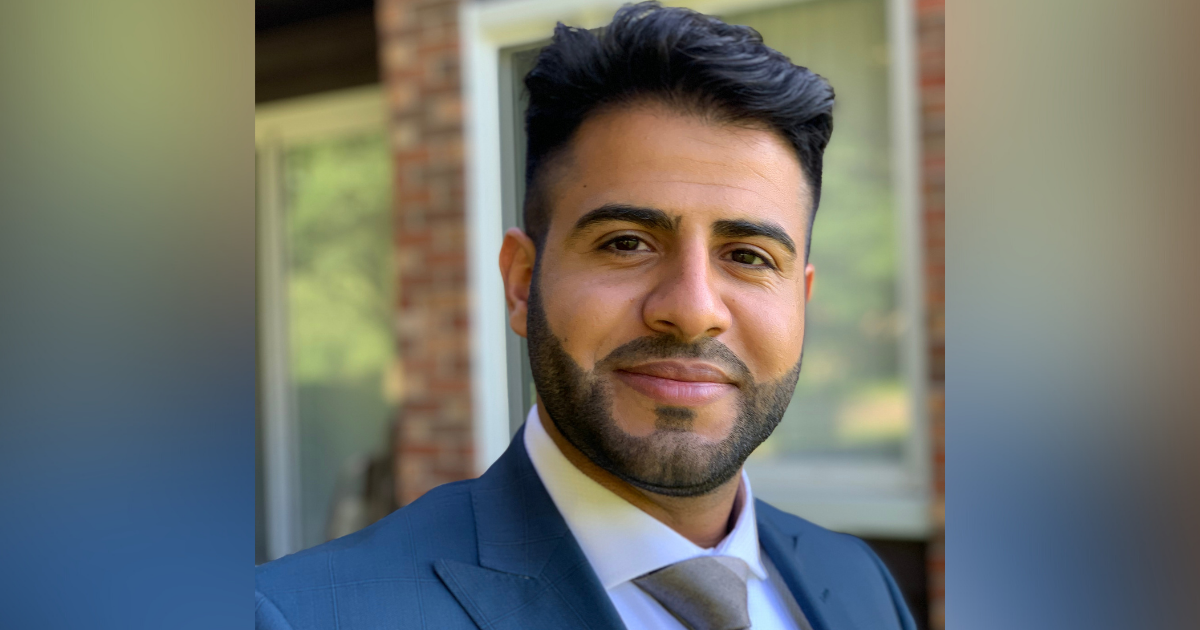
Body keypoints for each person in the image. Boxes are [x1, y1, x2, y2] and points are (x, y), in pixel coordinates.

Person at [255, 3, 917, 629]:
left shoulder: (859, 585)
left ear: (801, 301)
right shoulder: (296, 615)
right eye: (626, 243)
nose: (692, 310)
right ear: (521, 283)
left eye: (747, 256)